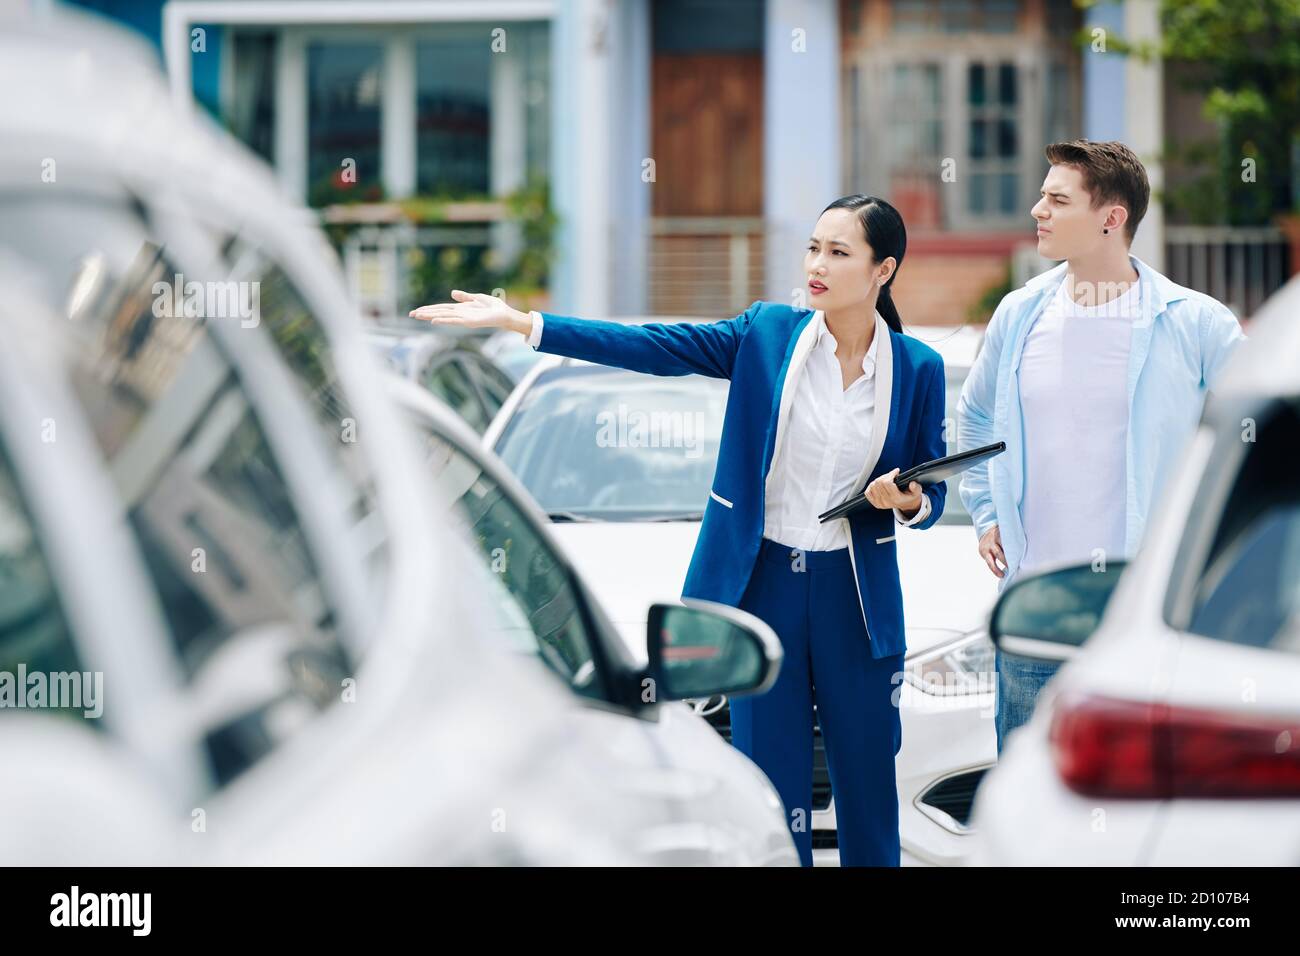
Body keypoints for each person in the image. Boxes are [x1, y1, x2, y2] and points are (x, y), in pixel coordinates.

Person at [410, 195, 948, 867]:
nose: (816, 264)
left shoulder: (916, 368)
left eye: (839, 253)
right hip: (764, 588)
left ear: (883, 270)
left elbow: (932, 488)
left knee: (868, 787)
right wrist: (526, 323)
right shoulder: (767, 336)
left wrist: (904, 502)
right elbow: (653, 346)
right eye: (813, 247)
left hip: (857, 597)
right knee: (774, 790)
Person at [956, 140, 1247, 754]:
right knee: (1028, 814)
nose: (1038, 209)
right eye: (1042, 195)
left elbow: (1253, 447)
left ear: (1111, 218)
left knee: (1147, 817)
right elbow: (977, 415)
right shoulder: (1019, 314)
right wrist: (986, 513)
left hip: (1150, 621)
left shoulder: (1197, 324)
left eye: (1058, 200)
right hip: (1036, 614)